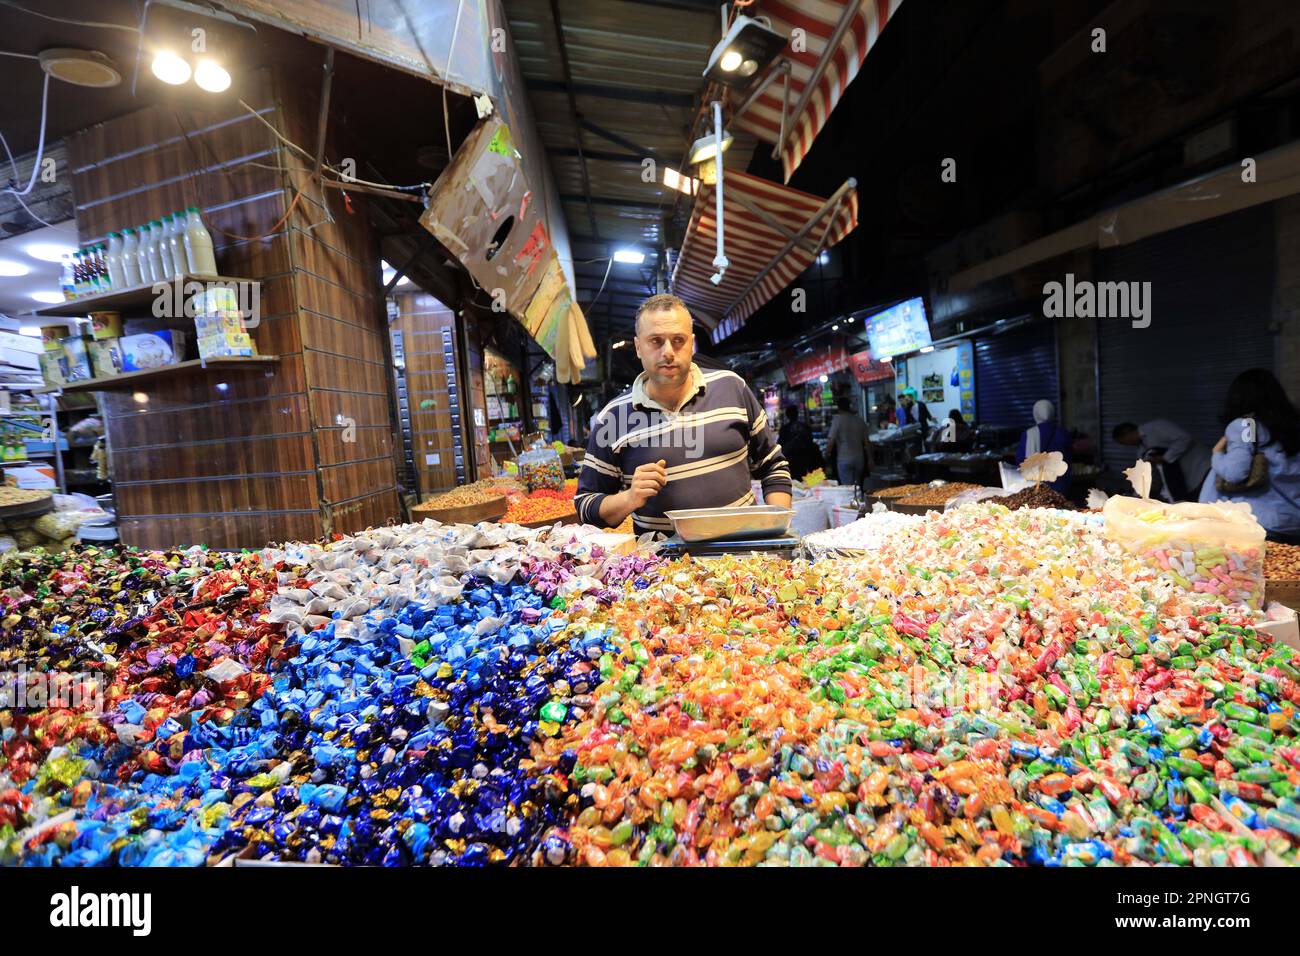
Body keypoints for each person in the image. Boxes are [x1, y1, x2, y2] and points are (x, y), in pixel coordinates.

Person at [575, 293, 792, 535]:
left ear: (692, 343)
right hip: (662, 569)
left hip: (742, 563)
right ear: (638, 347)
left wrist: (776, 531)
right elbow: (586, 505)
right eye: (655, 341)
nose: (668, 351)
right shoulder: (613, 419)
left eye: (678, 340)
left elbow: (773, 466)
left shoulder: (732, 387)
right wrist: (630, 498)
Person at [1199, 368, 1300, 540]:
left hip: (1261, 524)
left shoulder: (1246, 426)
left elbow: (1235, 473)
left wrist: (1216, 454)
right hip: (1293, 523)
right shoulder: (1293, 425)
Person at [1112, 419, 1211, 502]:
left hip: (1201, 467)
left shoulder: (1157, 427)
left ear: (1127, 435)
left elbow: (1184, 438)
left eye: (1124, 442)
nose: (1127, 445)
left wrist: (1165, 457)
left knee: (1203, 500)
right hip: (1184, 476)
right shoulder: (1140, 449)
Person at [1017, 399, 1071, 493]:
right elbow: (1068, 457)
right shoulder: (1063, 433)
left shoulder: (1029, 434)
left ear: (1035, 414)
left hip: (1036, 485)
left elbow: (1021, 459)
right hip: (1060, 484)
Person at [826, 396, 870, 490]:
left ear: (839, 407)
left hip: (844, 459)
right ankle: (859, 502)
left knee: (848, 488)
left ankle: (853, 503)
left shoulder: (837, 421)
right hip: (859, 458)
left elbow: (831, 442)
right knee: (858, 486)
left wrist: (827, 455)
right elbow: (867, 442)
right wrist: (870, 459)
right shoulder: (859, 420)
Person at [778, 404, 824, 483]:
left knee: (794, 484)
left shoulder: (784, 429)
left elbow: (780, 445)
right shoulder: (805, 427)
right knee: (808, 483)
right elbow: (810, 442)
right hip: (806, 461)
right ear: (797, 414)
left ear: (787, 415)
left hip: (791, 461)